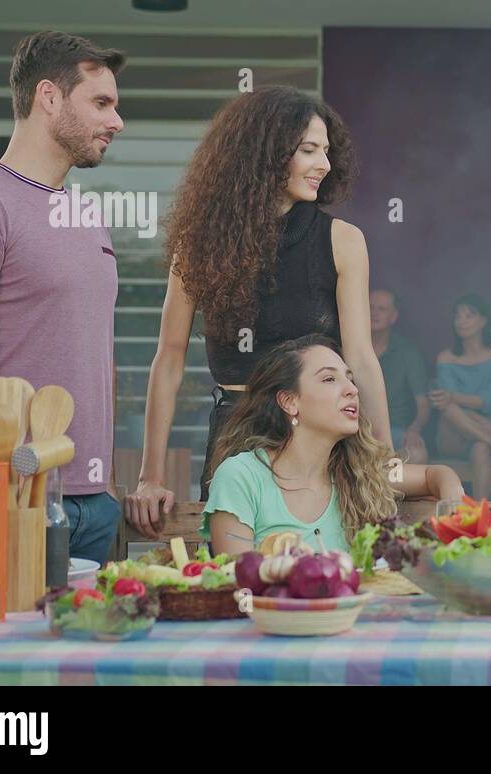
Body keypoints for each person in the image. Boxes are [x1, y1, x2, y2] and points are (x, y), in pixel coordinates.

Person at [124, 86, 392, 537]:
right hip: (235, 431)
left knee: (329, 566)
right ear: (265, 152)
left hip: (321, 436)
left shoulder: (343, 240)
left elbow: (361, 357)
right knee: (236, 583)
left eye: (327, 151)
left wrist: (384, 458)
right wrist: (150, 476)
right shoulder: (198, 246)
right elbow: (169, 359)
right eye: (308, 150)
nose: (323, 164)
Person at [0, 30, 126, 562]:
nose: (116, 122)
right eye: (100, 103)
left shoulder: (88, 218)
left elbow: (93, 353)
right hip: (1, 488)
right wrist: (17, 470)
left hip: (90, 500)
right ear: (48, 97)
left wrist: (103, 479)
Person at [202, 334, 463, 557]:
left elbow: (436, 475)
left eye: (349, 378)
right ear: (290, 402)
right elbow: (239, 587)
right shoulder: (240, 477)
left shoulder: (359, 472)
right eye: (329, 379)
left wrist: (454, 511)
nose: (352, 389)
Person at [432, 293, 491, 500]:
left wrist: (455, 397)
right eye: (457, 316)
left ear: (483, 321)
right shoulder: (446, 358)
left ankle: (479, 511)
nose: (461, 321)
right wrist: (481, 421)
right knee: (446, 405)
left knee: (481, 447)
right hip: (455, 436)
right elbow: (447, 402)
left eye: (469, 315)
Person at [371, 287, 430, 464]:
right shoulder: (348, 347)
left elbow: (423, 404)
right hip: (354, 432)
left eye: (381, 309)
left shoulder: (407, 351)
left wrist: (414, 430)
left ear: (394, 316)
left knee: (418, 454)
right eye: (370, 307)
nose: (374, 313)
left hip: (394, 432)